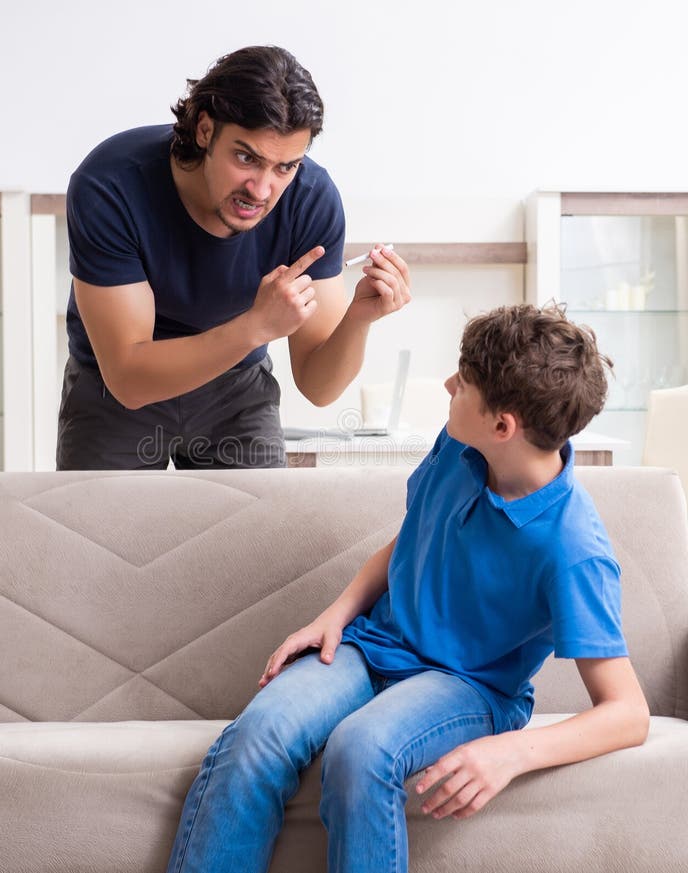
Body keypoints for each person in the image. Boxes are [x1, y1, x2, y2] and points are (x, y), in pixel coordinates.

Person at [165, 303, 650, 873]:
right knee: (257, 737)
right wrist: (338, 614)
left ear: (503, 427)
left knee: (361, 749)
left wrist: (512, 753)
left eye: (463, 383)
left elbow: (627, 713)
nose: (448, 384)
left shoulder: (573, 548)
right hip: (371, 646)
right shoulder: (462, 443)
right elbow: (415, 536)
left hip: (468, 687)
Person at [57, 45, 410, 470]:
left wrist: (358, 318)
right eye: (247, 158)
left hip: (236, 390)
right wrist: (256, 326)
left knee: (259, 535)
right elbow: (129, 380)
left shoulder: (311, 200)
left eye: (285, 167)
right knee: (98, 535)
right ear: (205, 130)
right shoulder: (111, 184)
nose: (261, 191)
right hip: (115, 389)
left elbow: (319, 387)